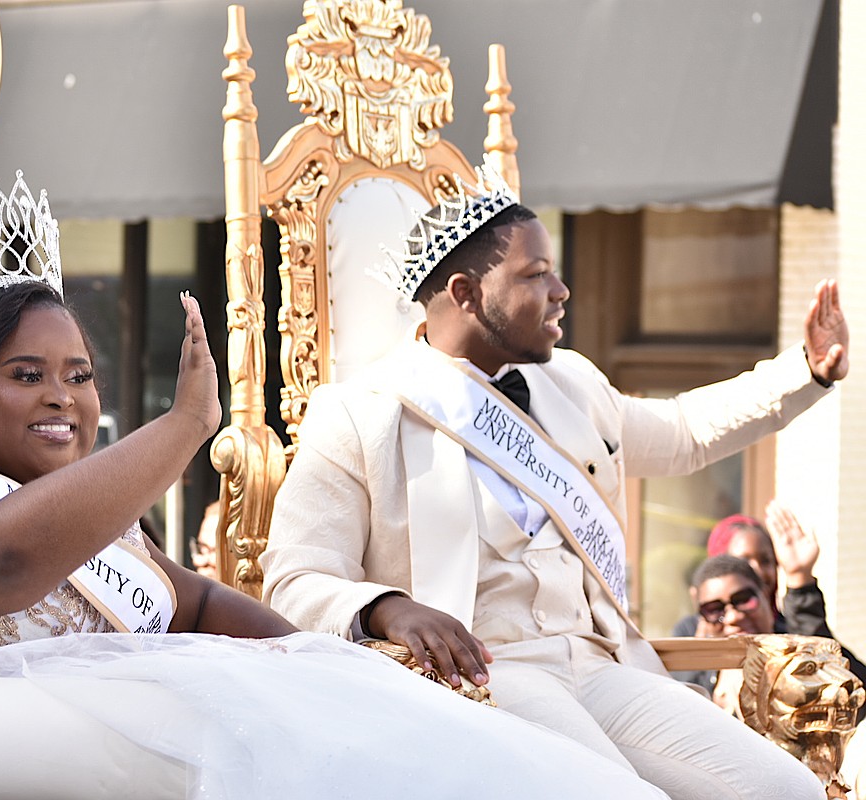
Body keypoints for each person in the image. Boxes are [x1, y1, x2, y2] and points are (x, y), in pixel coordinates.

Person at [0, 172, 671, 799]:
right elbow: (0, 562)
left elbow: (196, 608)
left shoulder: (105, 530)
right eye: (28, 374)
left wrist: (325, 663)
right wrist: (179, 431)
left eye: (81, 374)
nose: (64, 396)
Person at [262, 168, 843, 799]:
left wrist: (804, 373)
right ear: (465, 292)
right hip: (485, 675)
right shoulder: (359, 414)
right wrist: (387, 609)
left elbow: (682, 432)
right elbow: (292, 582)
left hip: (601, 662)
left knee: (787, 791)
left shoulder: (572, 383)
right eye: (535, 275)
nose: (562, 291)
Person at [672, 505, 866, 713]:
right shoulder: (690, 632)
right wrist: (706, 658)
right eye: (714, 609)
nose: (733, 616)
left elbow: (852, 691)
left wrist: (800, 580)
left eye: (766, 560)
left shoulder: (791, 630)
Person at [677, 555, 775, 713]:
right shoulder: (697, 686)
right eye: (714, 610)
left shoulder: (801, 654)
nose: (733, 617)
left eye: (743, 600)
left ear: (764, 595)